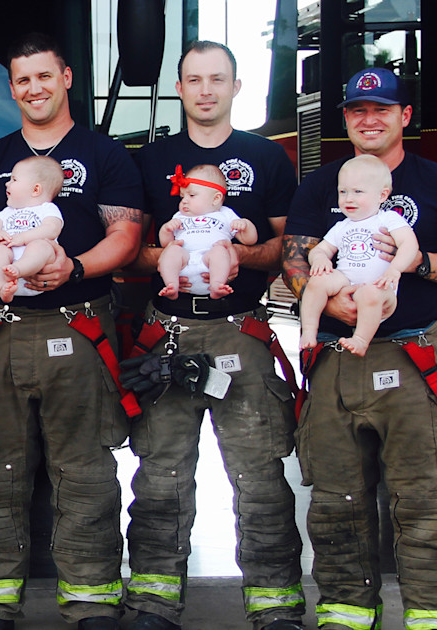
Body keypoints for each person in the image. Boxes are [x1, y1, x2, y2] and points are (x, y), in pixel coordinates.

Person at [0, 32, 142, 630]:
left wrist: (75, 267)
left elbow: (127, 236)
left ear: (66, 79)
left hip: (79, 328)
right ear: (12, 89)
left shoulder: (105, 154)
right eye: (22, 80)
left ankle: (91, 602)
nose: (33, 88)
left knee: (83, 468)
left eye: (44, 76)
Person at [125, 41, 304, 630]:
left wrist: (235, 253)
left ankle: (275, 606)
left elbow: (286, 246)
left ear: (236, 87)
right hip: (168, 332)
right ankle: (152, 605)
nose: (206, 90)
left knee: (258, 475)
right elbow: (134, 247)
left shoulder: (268, 157)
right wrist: (171, 256)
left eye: (217, 79)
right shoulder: (150, 160)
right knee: (161, 475)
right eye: (194, 80)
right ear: (179, 88)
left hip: (241, 332)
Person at [283, 66, 437, 630]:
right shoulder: (322, 185)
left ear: (404, 117)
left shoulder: (432, 181)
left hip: (417, 356)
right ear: (345, 118)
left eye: (381, 110)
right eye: (357, 111)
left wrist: (417, 263)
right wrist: (331, 301)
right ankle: (346, 614)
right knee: (336, 497)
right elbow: (297, 257)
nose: (368, 120)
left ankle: (428, 616)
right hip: (336, 359)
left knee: (424, 496)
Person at [299, 155, 417, 355]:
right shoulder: (341, 226)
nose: (348, 198)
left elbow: (409, 244)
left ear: (382, 195)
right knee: (317, 282)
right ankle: (310, 331)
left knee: (369, 294)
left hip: (379, 286)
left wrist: (395, 269)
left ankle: (361, 340)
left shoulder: (388, 218)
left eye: (357, 192)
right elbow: (321, 249)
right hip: (345, 279)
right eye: (342, 192)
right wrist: (319, 259)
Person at [155, 164, 257, 299]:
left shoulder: (225, 214)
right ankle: (171, 285)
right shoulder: (179, 216)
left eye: (191, 195)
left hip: (210, 264)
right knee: (172, 251)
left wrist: (245, 225)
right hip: (184, 263)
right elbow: (166, 244)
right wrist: (166, 229)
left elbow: (250, 240)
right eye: (182, 197)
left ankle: (217, 286)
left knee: (220, 251)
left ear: (216, 199)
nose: (184, 201)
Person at [0, 155, 64, 303]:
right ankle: (1, 287)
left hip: (37, 271)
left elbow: (52, 229)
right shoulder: (7, 211)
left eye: (14, 179)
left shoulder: (47, 209)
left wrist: (23, 238)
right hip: (5, 269)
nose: (7, 184)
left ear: (36, 189)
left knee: (41, 246)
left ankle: (18, 270)